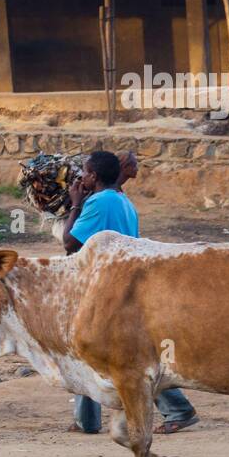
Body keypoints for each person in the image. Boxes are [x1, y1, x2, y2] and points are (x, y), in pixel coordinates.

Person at [63, 150, 200, 435]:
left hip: (103, 288)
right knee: (116, 353)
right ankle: (88, 419)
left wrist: (75, 205)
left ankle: (89, 420)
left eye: (86, 172)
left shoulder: (99, 202)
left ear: (95, 176)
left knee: (94, 350)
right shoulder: (124, 201)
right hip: (124, 286)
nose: (82, 177)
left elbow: (70, 243)